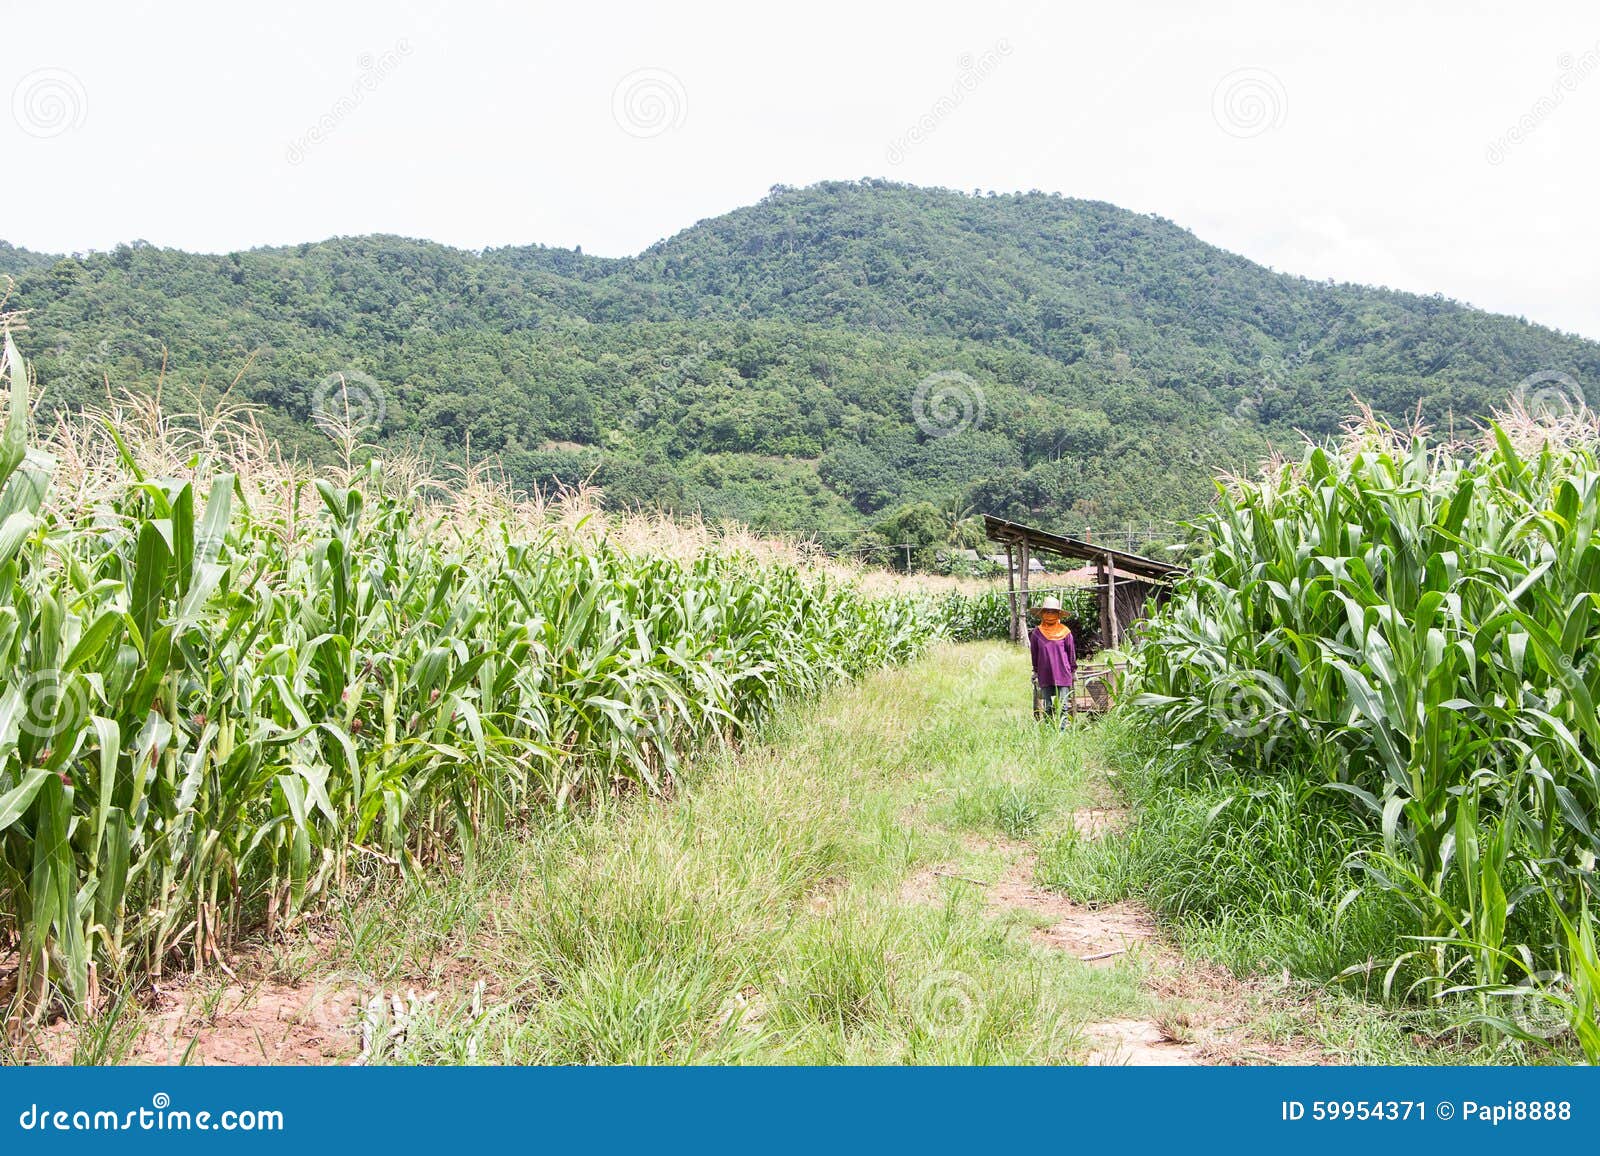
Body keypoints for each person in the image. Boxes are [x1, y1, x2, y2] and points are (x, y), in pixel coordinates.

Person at [1028, 596, 1077, 725]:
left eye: (1053, 611)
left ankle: (1062, 730)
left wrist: (1073, 670)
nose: (1050, 614)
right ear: (1042, 613)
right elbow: (1034, 654)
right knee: (1048, 705)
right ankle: (1049, 728)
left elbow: (1071, 652)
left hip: (1063, 672)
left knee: (1063, 705)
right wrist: (1035, 671)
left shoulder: (1065, 632)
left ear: (1058, 614)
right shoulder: (1037, 633)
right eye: (1047, 611)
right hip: (1045, 673)